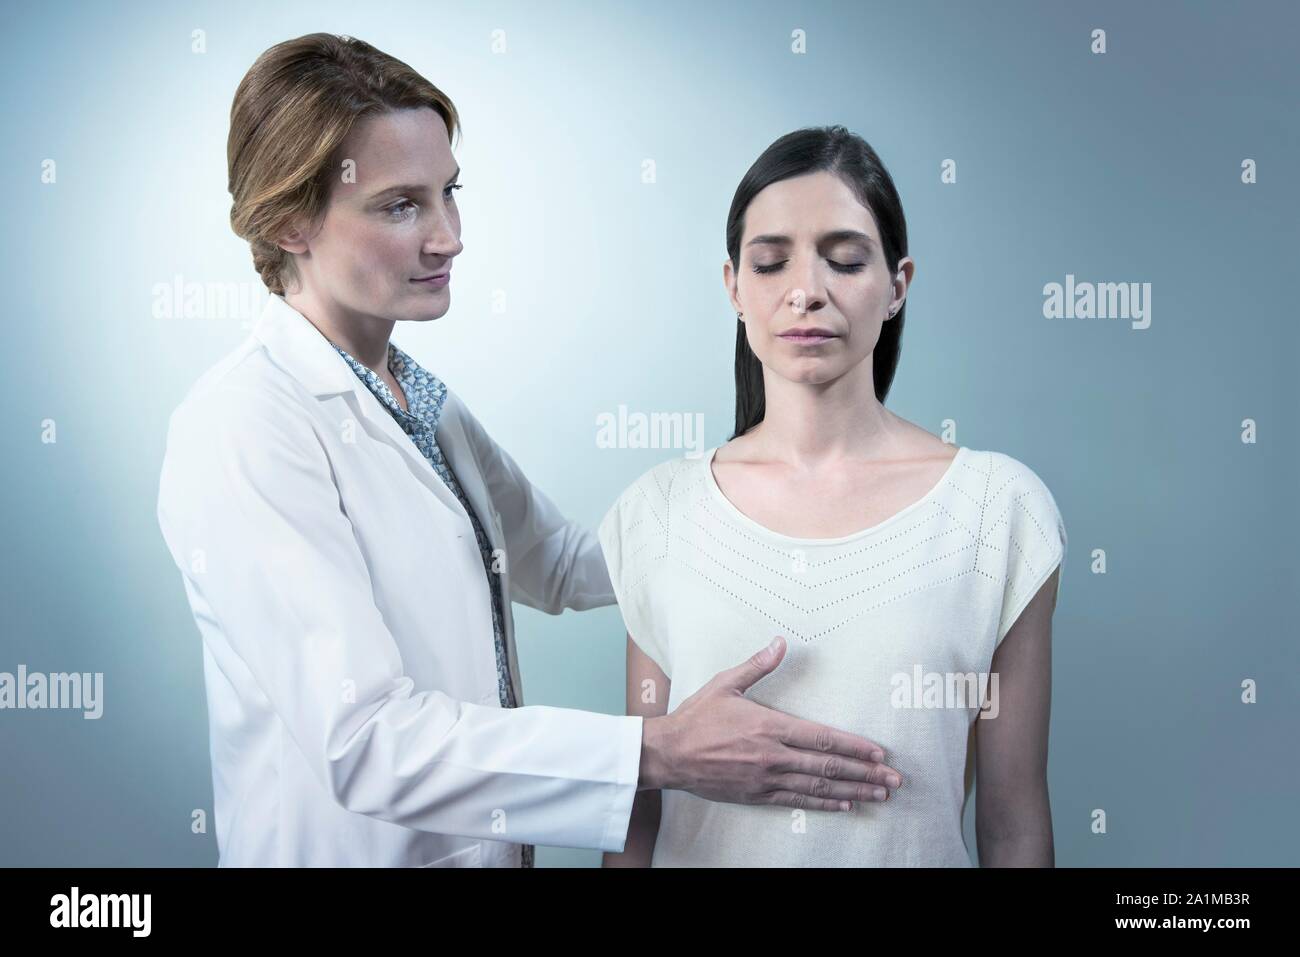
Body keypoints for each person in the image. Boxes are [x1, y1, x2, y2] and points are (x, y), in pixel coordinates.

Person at [155, 35, 903, 868]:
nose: (449, 238)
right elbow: (365, 739)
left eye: (449, 193)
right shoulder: (245, 424)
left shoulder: (420, 401)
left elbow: (569, 561)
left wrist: (787, 500)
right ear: (290, 219)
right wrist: (657, 752)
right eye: (401, 206)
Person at [599, 126, 1067, 867]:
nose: (807, 289)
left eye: (845, 259)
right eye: (771, 261)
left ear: (897, 286)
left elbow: (1013, 823)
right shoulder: (657, 512)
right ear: (734, 288)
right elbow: (638, 818)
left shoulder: (996, 511)